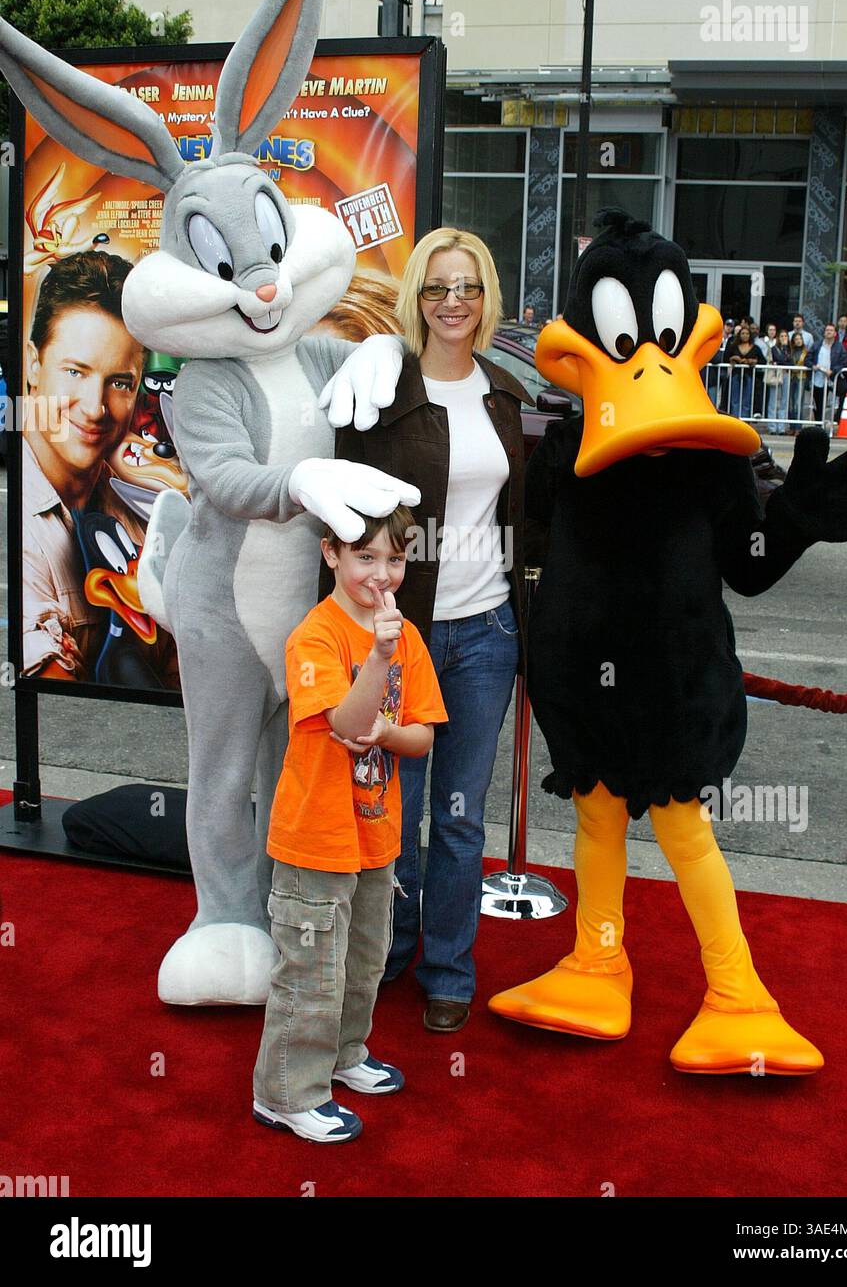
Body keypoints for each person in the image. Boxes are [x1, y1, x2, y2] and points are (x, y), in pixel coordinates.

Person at [322, 226, 530, 1033]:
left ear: (487, 300)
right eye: (439, 287)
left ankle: (448, 967)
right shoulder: (382, 394)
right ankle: (388, 950)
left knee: (458, 814)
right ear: (417, 296)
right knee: (390, 807)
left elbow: (523, 518)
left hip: (485, 634)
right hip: (396, 634)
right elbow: (341, 511)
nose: (454, 303)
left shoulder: (503, 394)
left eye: (469, 287)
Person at [252, 506, 448, 1144]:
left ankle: (343, 1055)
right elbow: (343, 724)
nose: (383, 574)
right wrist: (379, 657)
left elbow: (419, 736)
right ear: (330, 553)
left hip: (375, 832)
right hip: (316, 834)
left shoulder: (407, 635)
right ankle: (286, 1093)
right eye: (366, 557)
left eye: (395, 559)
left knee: (363, 960)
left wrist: (388, 728)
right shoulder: (315, 636)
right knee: (311, 966)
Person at [22, 250, 176, 684]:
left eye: (120, 382)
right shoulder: (17, 519)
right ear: (34, 364)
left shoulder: (144, 511)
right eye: (75, 372)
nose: (95, 408)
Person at [805, 322, 847, 427]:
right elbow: (807, 359)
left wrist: (833, 371)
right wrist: (812, 366)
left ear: (835, 333)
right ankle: (818, 426)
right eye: (827, 330)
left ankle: (836, 423)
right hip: (818, 379)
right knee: (818, 404)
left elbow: (843, 361)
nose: (828, 332)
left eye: (831, 330)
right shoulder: (817, 345)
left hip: (833, 379)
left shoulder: (839, 347)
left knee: (839, 400)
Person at [723, 323, 759, 418]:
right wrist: (733, 358)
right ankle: (736, 420)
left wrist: (753, 361)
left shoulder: (755, 348)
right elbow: (725, 358)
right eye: (743, 333)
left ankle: (745, 420)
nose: (745, 335)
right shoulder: (734, 346)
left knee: (746, 400)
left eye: (747, 333)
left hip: (749, 376)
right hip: (736, 375)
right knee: (735, 400)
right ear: (739, 335)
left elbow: (762, 360)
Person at [787, 328, 810, 426]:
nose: (798, 341)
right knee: (791, 403)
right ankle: (792, 426)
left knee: (798, 402)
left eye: (800, 339)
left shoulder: (806, 352)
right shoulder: (790, 352)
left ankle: (798, 426)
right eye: (796, 339)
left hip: (801, 377)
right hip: (792, 377)